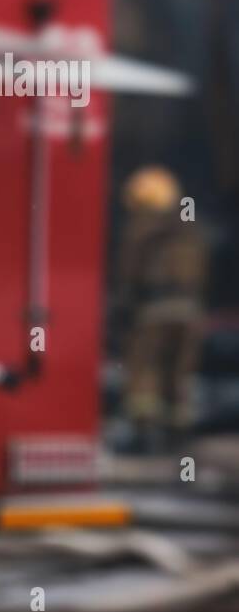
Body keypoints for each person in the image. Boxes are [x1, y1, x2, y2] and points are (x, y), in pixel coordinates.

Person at [114, 165, 207, 452]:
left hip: (153, 310)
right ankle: (177, 440)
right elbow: (203, 270)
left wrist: (123, 308)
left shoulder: (140, 230)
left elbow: (128, 275)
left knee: (145, 377)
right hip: (189, 311)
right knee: (179, 375)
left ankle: (145, 438)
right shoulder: (190, 227)